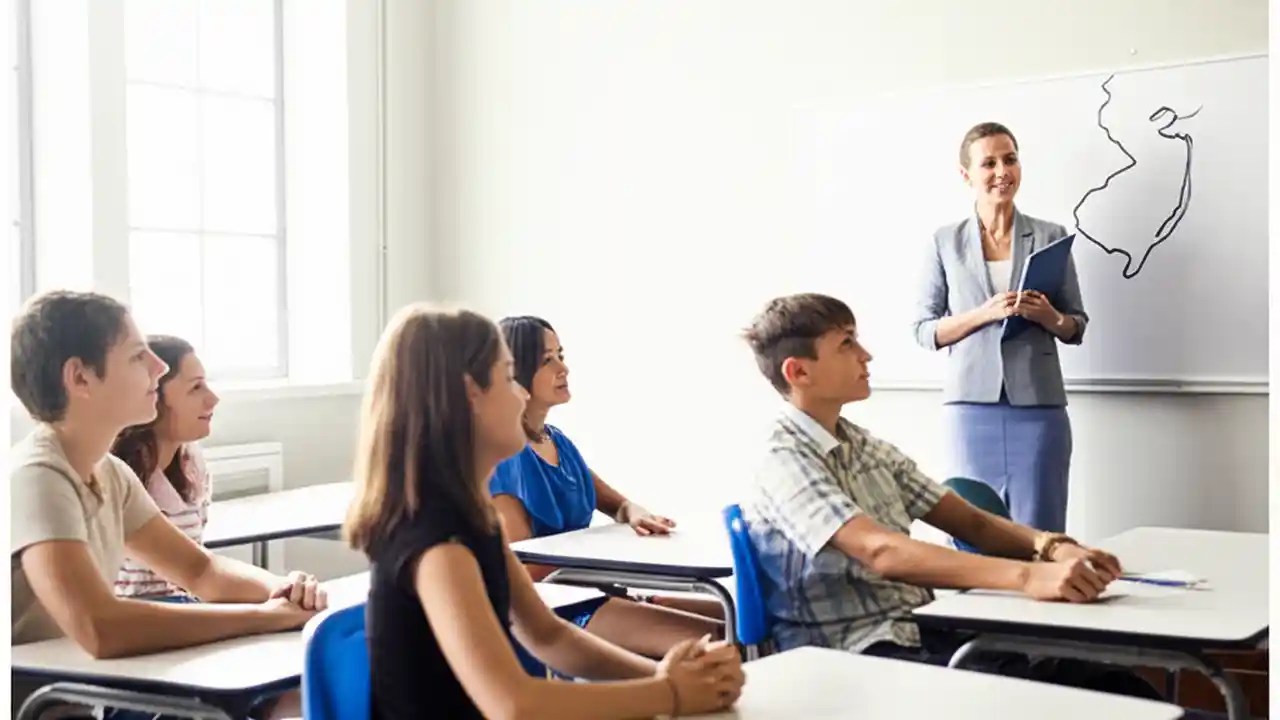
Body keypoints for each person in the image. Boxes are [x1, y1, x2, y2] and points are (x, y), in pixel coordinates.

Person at [742, 293, 1159, 701]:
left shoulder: (862, 445)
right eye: (846, 344)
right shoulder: (782, 458)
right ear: (798, 372)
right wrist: (1029, 577)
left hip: (923, 631)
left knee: (1117, 686)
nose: (865, 355)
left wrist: (1051, 547)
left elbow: (970, 522)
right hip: (858, 653)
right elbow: (881, 551)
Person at [343, 304, 743, 720]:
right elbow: (513, 705)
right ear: (470, 394)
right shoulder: (438, 544)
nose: (520, 394)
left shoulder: (473, 518)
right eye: (507, 376)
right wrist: (670, 694)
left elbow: (550, 637)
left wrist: (672, 681)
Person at [10, 291, 325, 719]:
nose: (158, 369)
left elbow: (201, 571)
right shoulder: (37, 476)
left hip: (69, 700)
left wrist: (284, 591)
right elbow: (99, 628)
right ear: (80, 378)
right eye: (139, 357)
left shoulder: (109, 474)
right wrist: (265, 617)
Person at [489, 316, 723, 661]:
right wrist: (611, 558)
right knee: (717, 639)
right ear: (515, 373)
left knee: (745, 621)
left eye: (561, 355)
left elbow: (618, 505)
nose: (563, 368)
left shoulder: (559, 444)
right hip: (552, 610)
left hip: (595, 589)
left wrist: (638, 515)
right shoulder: (505, 456)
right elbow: (525, 568)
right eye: (546, 360)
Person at [910, 121, 1088, 533]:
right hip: (971, 407)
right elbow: (923, 330)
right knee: (974, 531)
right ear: (966, 174)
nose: (1001, 172)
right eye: (988, 163)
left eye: (1009, 159)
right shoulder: (944, 241)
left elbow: (1075, 325)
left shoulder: (1050, 235)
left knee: (1041, 530)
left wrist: (1050, 318)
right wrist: (984, 314)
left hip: (1039, 408)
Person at [112, 335, 219, 600]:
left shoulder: (192, 463)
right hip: (141, 628)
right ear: (153, 396)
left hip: (186, 614)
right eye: (196, 388)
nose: (213, 399)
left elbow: (199, 572)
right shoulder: (115, 475)